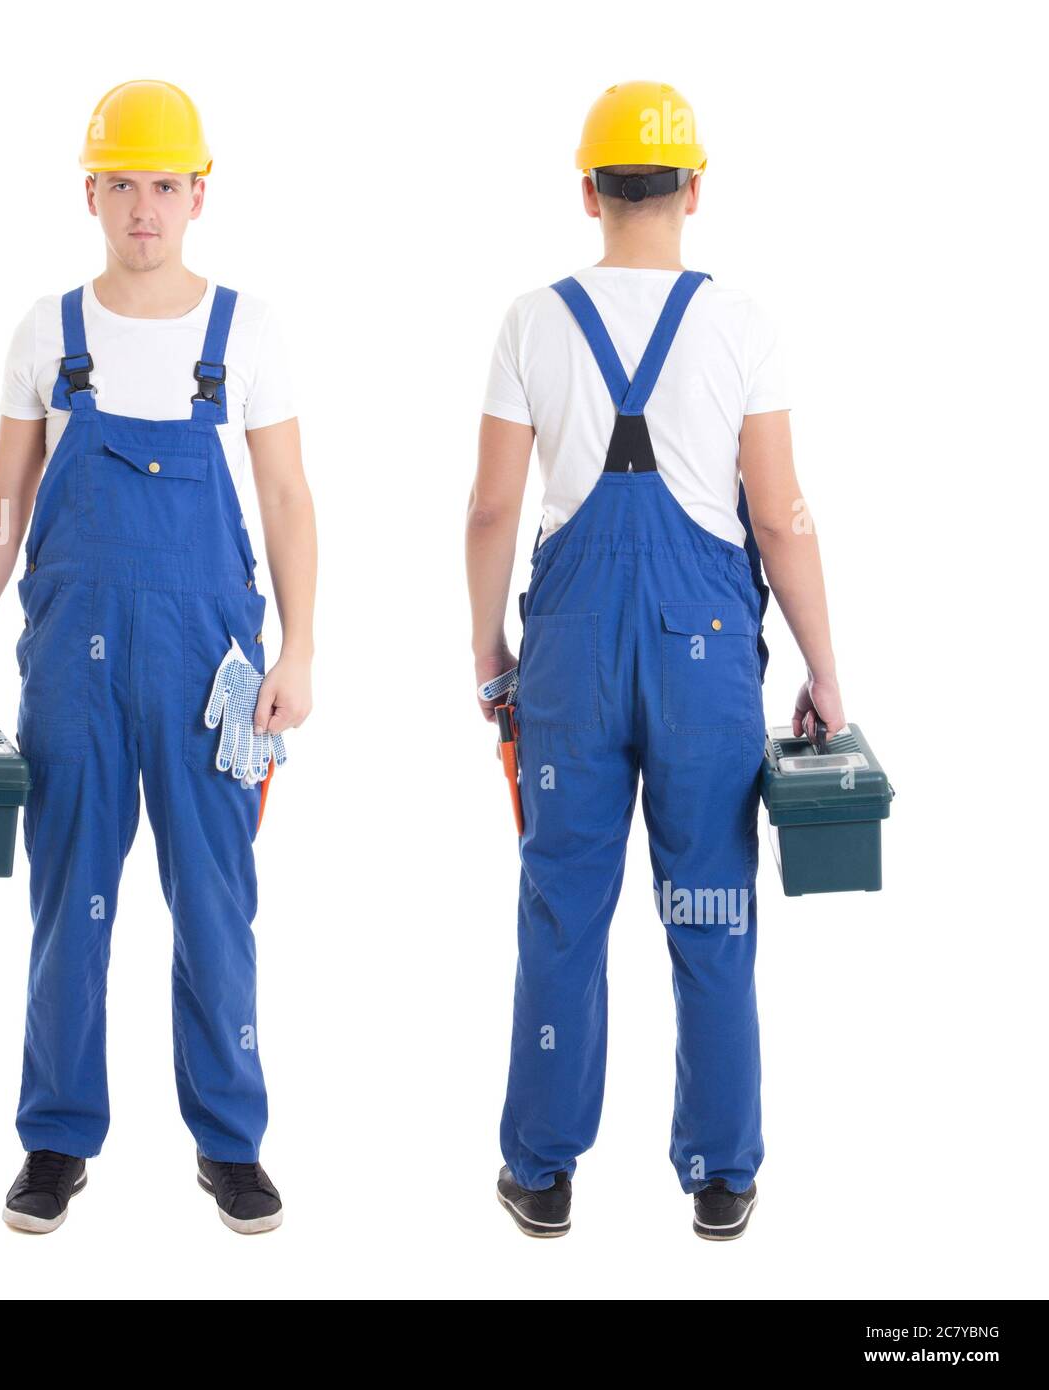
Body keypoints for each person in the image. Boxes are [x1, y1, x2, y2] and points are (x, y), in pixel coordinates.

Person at [0, 79, 316, 1235]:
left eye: (164, 184)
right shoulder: (47, 333)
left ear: (199, 196)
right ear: (88, 194)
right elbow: (1, 501)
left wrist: (301, 647)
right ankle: (55, 1139)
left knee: (216, 906)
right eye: (121, 184)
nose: (143, 206)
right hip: (74, 669)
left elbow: (287, 498)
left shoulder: (246, 331)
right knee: (70, 904)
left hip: (210, 675)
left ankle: (231, 1145)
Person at [466, 80, 844, 1240]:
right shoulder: (741, 325)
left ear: (588, 192)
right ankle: (721, 1175)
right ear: (694, 190)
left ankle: (540, 1173)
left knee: (562, 912)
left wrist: (490, 657)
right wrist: (824, 668)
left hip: (569, 657)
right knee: (712, 909)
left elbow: (491, 510)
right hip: (705, 659)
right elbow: (777, 515)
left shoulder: (533, 321)